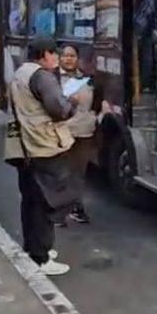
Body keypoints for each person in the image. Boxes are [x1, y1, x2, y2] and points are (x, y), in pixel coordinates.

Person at [10, 36, 81, 276]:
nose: (58, 59)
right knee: (46, 201)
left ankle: (32, 249)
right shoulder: (43, 76)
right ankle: (41, 256)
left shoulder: (21, 72)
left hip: (25, 146)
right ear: (46, 54)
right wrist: (73, 102)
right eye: (55, 54)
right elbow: (59, 110)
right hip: (43, 144)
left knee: (30, 200)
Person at [57, 44, 97, 225]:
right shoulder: (51, 78)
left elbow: (97, 101)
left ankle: (76, 208)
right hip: (61, 132)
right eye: (65, 56)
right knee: (60, 172)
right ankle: (58, 211)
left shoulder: (87, 78)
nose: (68, 59)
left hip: (84, 132)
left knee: (78, 173)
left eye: (72, 56)